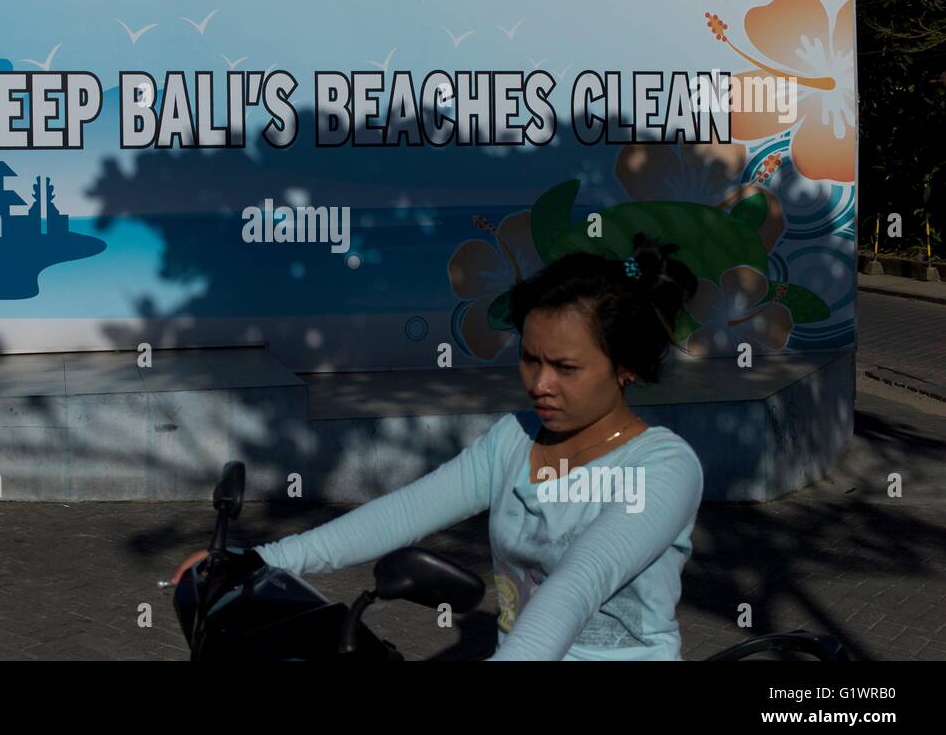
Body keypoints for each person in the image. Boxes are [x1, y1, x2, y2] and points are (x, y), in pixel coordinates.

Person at [171, 232, 705, 660]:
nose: (540, 383)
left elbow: (578, 585)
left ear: (626, 368)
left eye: (566, 368)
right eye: (530, 359)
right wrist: (261, 560)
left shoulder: (663, 468)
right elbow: (403, 513)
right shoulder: (515, 438)